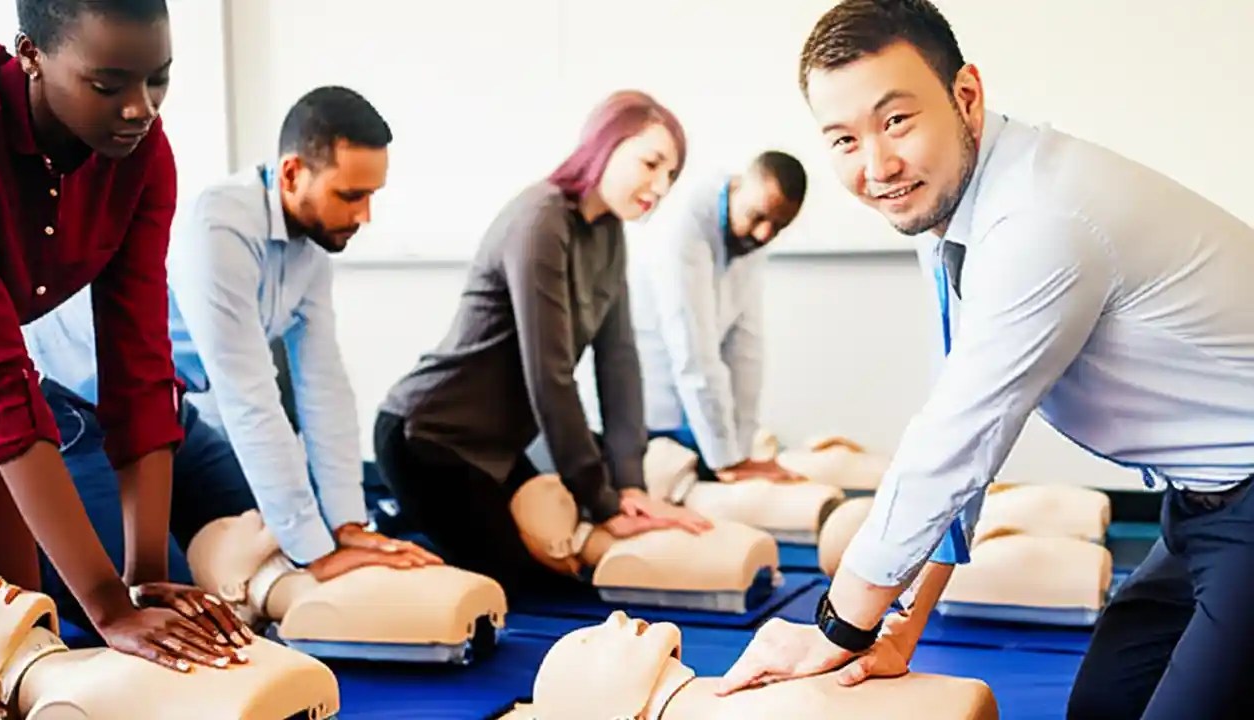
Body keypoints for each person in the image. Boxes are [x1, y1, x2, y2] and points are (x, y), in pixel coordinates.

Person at [718, 2, 1254, 719]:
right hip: (1199, 503)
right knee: (1102, 706)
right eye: (844, 139)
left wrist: (839, 624)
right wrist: (903, 621)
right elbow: (962, 413)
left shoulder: (1042, 216)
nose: (876, 165)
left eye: (896, 121)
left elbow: (962, 437)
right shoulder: (952, 207)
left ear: (965, 96)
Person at [22, 86, 441, 606]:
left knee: (269, 544)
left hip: (160, 408)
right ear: (292, 174)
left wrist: (347, 525)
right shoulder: (219, 225)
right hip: (71, 409)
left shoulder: (310, 247)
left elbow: (324, 386)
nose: (364, 215)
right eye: (351, 196)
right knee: (157, 597)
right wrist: (318, 552)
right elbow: (249, 396)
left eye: (371, 195)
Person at [0, 0, 248, 672]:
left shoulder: (142, 157)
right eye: (109, 85)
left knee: (12, 646)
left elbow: (139, 360)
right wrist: (105, 605)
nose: (140, 108)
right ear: (30, 54)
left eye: (158, 78)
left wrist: (143, 578)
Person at [373, 90, 711, 598]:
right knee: (526, 591)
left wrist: (630, 487)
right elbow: (550, 377)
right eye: (652, 163)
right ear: (606, 144)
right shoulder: (540, 219)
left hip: (496, 448)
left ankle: (412, 518)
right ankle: (397, 521)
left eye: (672, 176)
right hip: (429, 439)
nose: (661, 186)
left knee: (565, 562)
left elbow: (619, 363)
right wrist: (602, 503)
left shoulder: (610, 233)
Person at [614, 151, 807, 482]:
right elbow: (694, 353)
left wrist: (743, 453)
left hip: (688, 404)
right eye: (758, 216)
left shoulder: (750, 237)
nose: (764, 234)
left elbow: (747, 350)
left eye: (778, 225)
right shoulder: (683, 222)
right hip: (645, 405)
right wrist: (727, 462)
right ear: (737, 188)